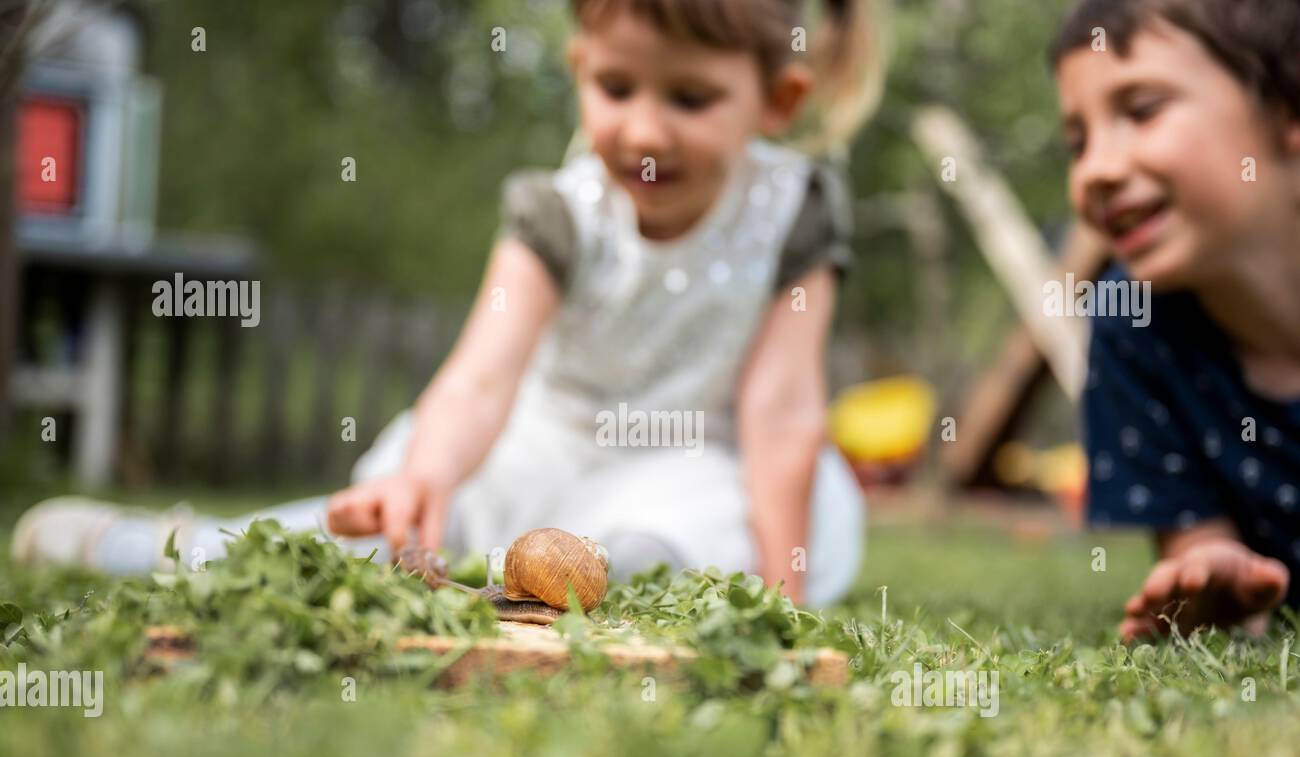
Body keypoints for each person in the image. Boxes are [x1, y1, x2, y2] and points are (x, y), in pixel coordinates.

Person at [14, 0, 883, 606]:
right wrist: (427, 475)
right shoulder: (556, 212)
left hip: (694, 461)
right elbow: (479, 377)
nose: (645, 132)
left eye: (690, 98)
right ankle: (175, 550)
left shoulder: (796, 213)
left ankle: (593, 578)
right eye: (617, 88)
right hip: (543, 449)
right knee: (394, 523)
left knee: (706, 535)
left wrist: (784, 589)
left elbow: (780, 407)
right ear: (581, 70)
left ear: (777, 100)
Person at [1052, 0, 1300, 638]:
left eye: (1141, 110)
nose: (1098, 171)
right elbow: (1200, 563)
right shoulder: (1130, 325)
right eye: (1078, 142)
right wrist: (1214, 575)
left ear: (1287, 109)